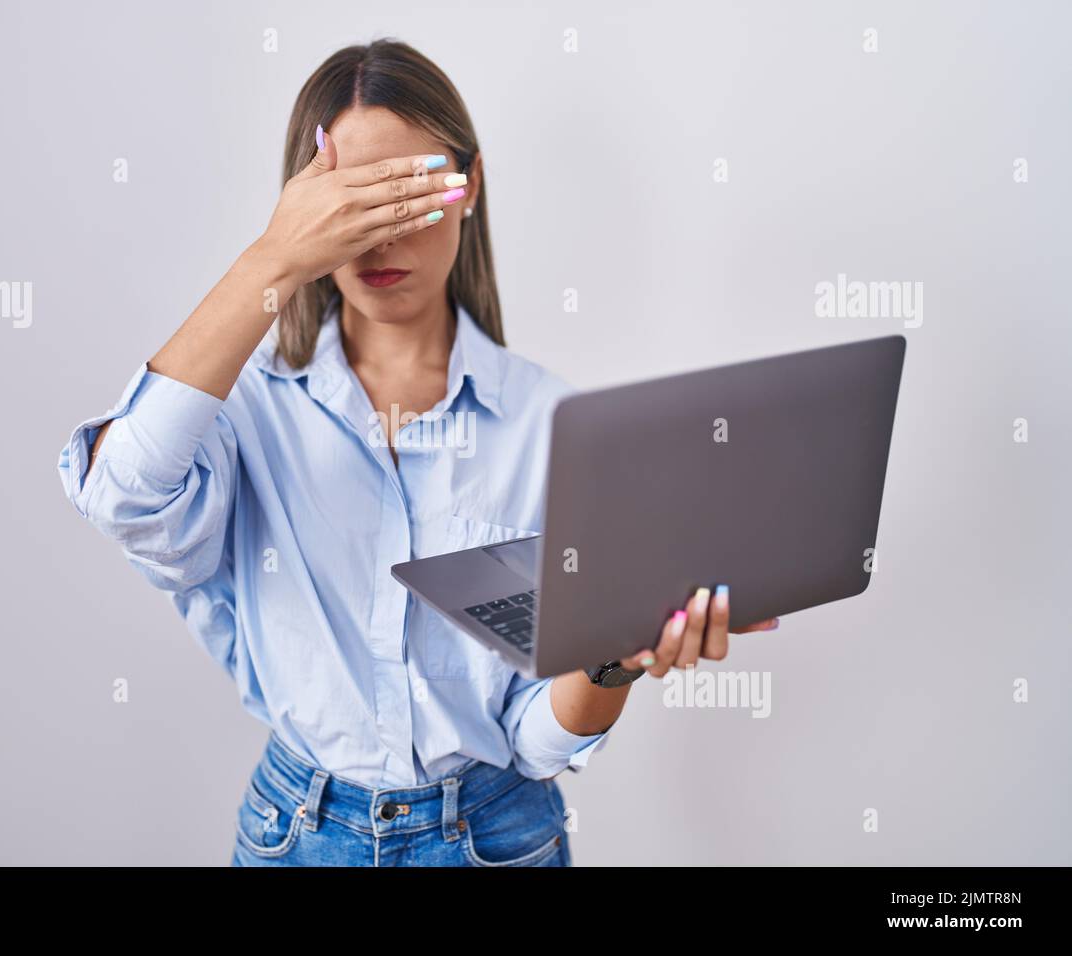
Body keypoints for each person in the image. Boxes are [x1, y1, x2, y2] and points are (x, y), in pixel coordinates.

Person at [57, 39, 777, 867]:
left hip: (498, 836)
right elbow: (121, 497)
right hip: (296, 836)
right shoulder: (240, 407)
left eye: (408, 194)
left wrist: (613, 664)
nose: (377, 237)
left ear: (470, 188)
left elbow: (534, 742)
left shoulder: (549, 422)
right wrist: (273, 260)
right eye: (348, 205)